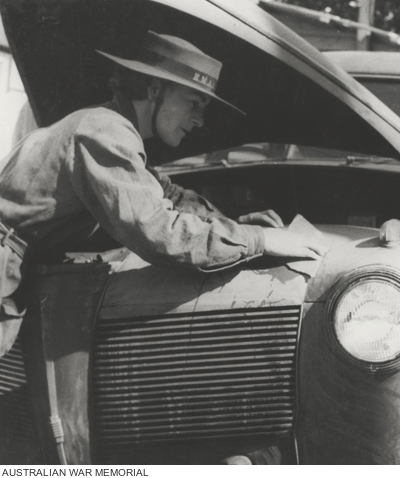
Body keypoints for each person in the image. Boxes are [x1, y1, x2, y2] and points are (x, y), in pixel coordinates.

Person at [0, 31, 328, 357]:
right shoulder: (106, 133)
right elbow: (160, 234)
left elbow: (168, 194)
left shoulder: (108, 125)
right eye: (193, 103)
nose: (199, 120)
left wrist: (231, 224)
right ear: (155, 89)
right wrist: (258, 240)